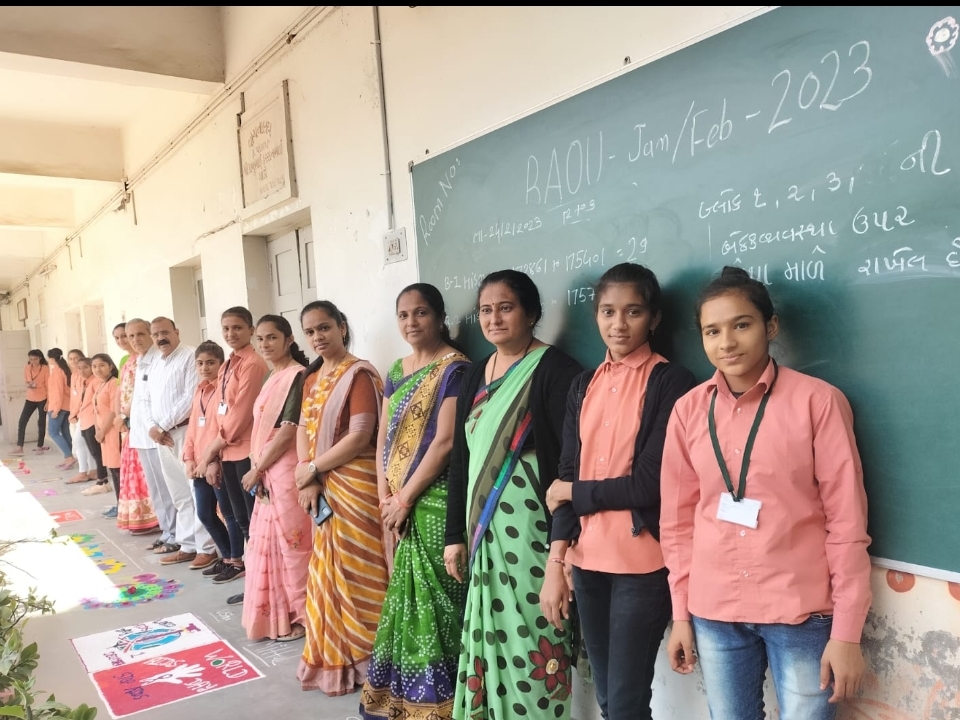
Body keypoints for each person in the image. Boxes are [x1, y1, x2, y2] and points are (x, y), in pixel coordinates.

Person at [660, 266, 872, 720]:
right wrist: (681, 614)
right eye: (711, 331)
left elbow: (848, 521)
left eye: (742, 324)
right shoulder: (687, 411)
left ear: (770, 326)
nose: (727, 342)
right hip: (714, 610)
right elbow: (676, 523)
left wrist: (848, 632)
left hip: (801, 612)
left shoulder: (818, 402)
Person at [544, 263, 696, 720]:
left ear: (653, 318)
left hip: (643, 565)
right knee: (611, 699)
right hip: (587, 562)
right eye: (608, 312)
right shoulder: (582, 385)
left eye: (632, 312)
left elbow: (650, 485)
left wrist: (571, 491)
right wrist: (556, 561)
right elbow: (567, 470)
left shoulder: (672, 383)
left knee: (626, 703)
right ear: (595, 317)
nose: (618, 323)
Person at [444, 270, 582, 720]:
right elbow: (462, 460)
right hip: (483, 529)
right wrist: (454, 535)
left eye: (506, 307)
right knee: (491, 632)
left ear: (532, 314)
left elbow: (570, 462)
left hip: (534, 532)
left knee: (535, 634)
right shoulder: (476, 372)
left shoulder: (557, 371)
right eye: (486, 309)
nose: (494, 318)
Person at [360, 284, 470, 720]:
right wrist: (385, 496)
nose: (411, 323)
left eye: (421, 313)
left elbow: (444, 442)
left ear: (440, 317)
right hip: (397, 503)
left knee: (438, 607)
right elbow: (383, 437)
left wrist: (405, 498)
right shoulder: (396, 369)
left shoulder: (455, 369)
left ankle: (445, 704)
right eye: (403, 315)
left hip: (434, 501)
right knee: (405, 606)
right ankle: (409, 700)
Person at [294, 300, 388, 696]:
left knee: (359, 569)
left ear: (342, 328)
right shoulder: (312, 379)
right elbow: (302, 428)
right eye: (311, 331)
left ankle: (373, 660)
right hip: (322, 484)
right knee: (326, 572)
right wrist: (306, 475)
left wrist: (313, 469)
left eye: (325, 328)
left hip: (356, 486)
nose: (318, 337)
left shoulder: (358, 374)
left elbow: (360, 436)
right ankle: (337, 660)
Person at [241, 315, 312, 641]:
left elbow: (288, 432)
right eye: (260, 339)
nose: (265, 344)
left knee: (293, 544)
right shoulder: (273, 376)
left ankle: (302, 616)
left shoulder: (297, 375)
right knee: (268, 543)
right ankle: (281, 616)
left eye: (272, 338)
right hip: (268, 468)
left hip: (284, 469)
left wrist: (257, 468)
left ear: (288, 339)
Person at [199, 307, 270, 590]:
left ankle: (260, 582)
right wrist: (215, 453)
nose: (231, 334)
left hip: (246, 453)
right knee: (240, 519)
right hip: (228, 452)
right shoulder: (228, 364)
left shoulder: (253, 363)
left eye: (238, 328)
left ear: (251, 330)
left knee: (253, 520)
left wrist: (210, 451)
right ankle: (252, 578)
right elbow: (219, 413)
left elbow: (240, 414)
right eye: (226, 328)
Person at [138, 316, 217, 569]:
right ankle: (187, 545)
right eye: (156, 334)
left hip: (185, 432)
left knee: (197, 493)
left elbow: (190, 398)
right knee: (179, 495)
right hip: (163, 438)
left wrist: (163, 426)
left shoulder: (190, 356)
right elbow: (147, 400)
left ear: (176, 331)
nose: (160, 337)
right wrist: (153, 427)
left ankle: (207, 548)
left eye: (165, 332)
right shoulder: (155, 364)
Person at [183, 341, 244, 583]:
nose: (205, 367)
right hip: (198, 463)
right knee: (205, 514)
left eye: (211, 363)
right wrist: (188, 457)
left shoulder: (223, 391)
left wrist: (213, 460)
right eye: (200, 363)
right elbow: (192, 429)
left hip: (214, 462)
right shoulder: (199, 390)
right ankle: (227, 555)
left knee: (229, 513)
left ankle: (236, 561)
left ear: (221, 365)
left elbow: (224, 429)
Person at [128, 318, 179, 552]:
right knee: (156, 489)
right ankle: (167, 531)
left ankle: (176, 534)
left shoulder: (159, 359)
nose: (136, 340)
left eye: (140, 334)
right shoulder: (140, 361)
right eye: (131, 336)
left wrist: (157, 428)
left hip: (156, 433)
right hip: (141, 433)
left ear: (150, 335)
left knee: (169, 488)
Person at [113, 322, 159, 534]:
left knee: (145, 472)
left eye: (128, 335)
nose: (126, 341)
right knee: (134, 470)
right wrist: (118, 415)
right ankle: (140, 518)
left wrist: (124, 415)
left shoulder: (150, 360)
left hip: (144, 423)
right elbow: (121, 391)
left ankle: (153, 518)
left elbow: (142, 397)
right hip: (131, 425)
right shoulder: (128, 361)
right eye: (121, 337)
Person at [91, 353, 121, 517]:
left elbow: (112, 410)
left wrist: (102, 430)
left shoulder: (113, 384)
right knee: (113, 470)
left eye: (102, 365)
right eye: (94, 366)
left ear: (110, 366)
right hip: (104, 433)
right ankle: (119, 504)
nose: (97, 369)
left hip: (113, 431)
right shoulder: (100, 384)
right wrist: (98, 430)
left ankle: (122, 505)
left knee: (118, 471)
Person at [65, 348, 95, 481]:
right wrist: (72, 413)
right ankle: (92, 471)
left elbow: (84, 399)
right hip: (78, 414)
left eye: (76, 358)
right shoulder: (73, 376)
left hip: (87, 414)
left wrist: (76, 413)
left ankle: (84, 472)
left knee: (79, 442)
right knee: (83, 443)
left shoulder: (89, 376)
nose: (73, 361)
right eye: (70, 359)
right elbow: (74, 397)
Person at [14, 349, 49, 456]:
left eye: (35, 359)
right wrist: (28, 384)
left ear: (40, 358)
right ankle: (20, 447)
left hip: (42, 398)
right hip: (30, 397)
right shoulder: (27, 367)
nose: (33, 361)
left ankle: (40, 446)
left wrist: (48, 401)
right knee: (22, 421)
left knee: (41, 422)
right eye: (31, 359)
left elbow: (48, 386)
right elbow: (26, 380)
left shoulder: (45, 368)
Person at [45, 348, 74, 468]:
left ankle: (69, 456)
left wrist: (55, 409)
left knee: (53, 432)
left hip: (59, 406)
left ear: (51, 359)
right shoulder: (64, 369)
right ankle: (69, 457)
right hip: (66, 406)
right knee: (65, 432)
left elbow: (58, 392)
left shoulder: (57, 371)